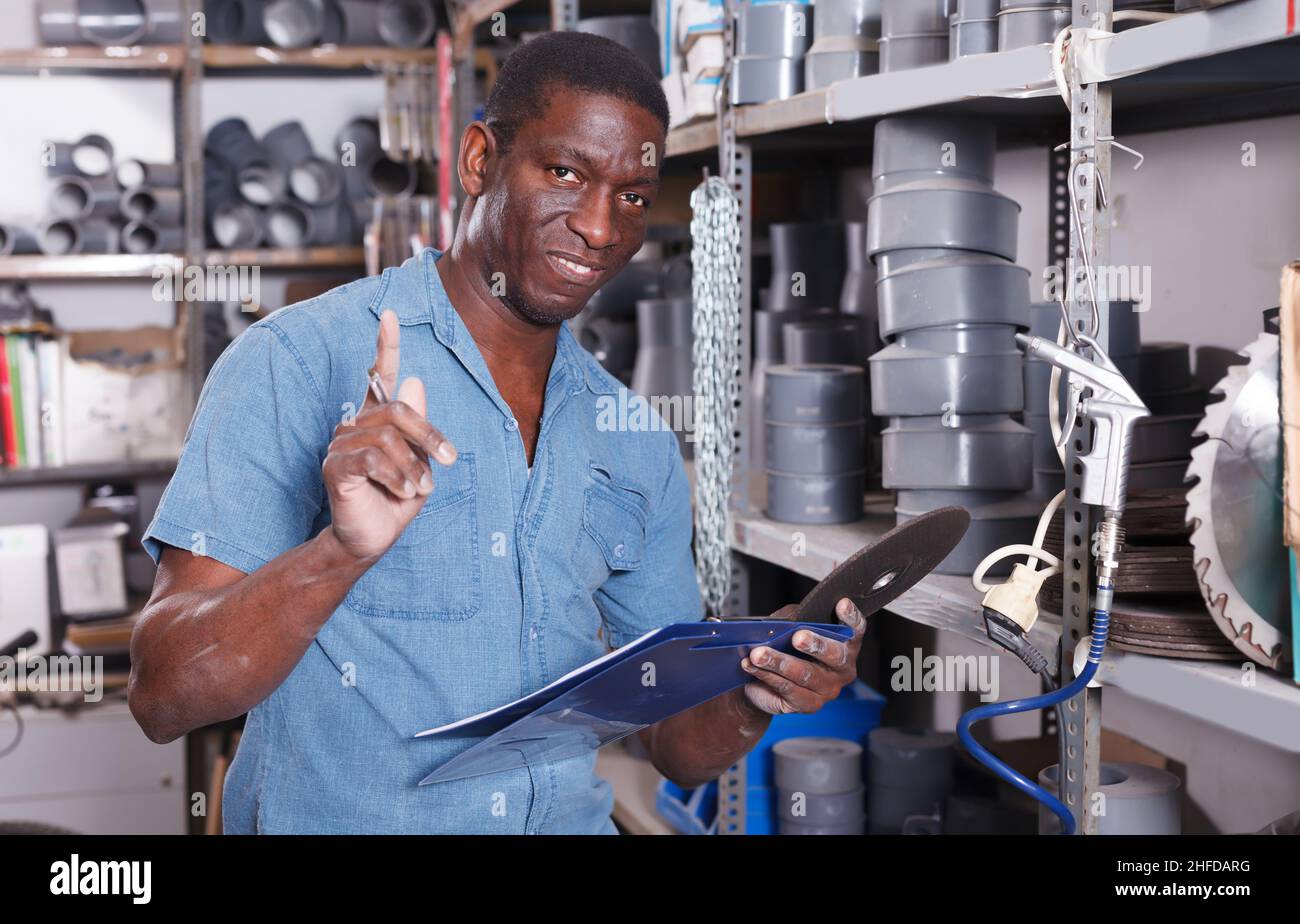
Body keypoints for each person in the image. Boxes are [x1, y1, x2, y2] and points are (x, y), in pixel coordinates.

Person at [128, 31, 865, 834]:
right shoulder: (297, 361)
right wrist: (339, 553)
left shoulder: (633, 437)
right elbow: (163, 695)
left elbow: (675, 741)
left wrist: (761, 688)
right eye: (565, 173)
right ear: (480, 160)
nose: (599, 228)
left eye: (631, 196)